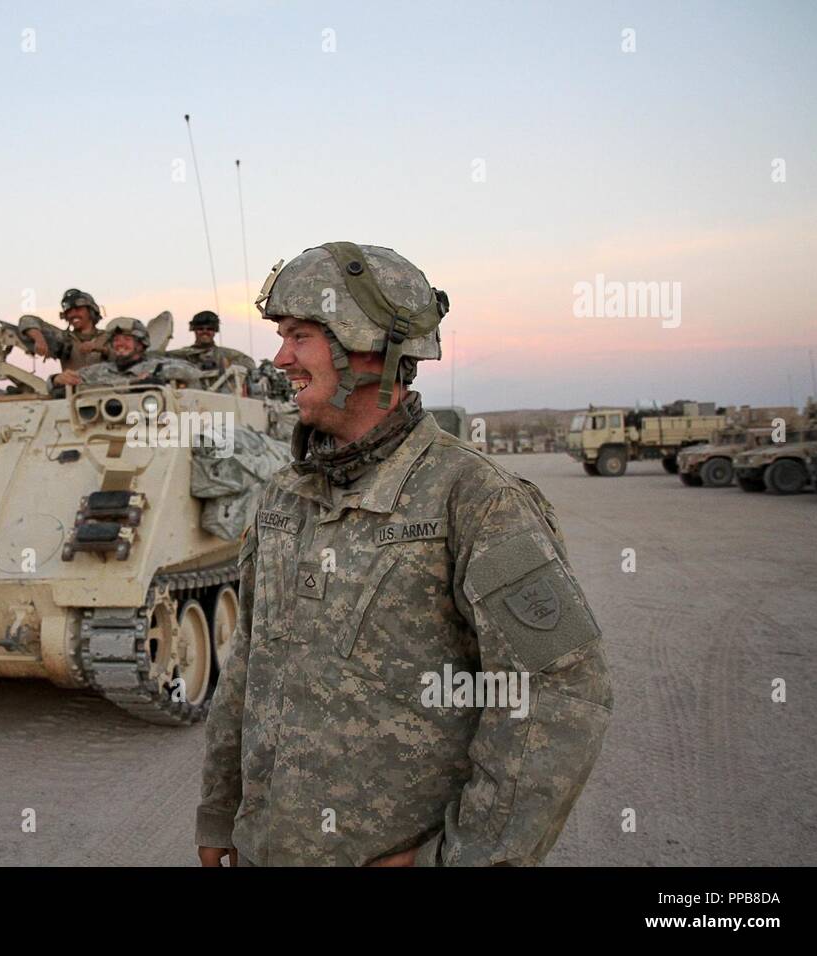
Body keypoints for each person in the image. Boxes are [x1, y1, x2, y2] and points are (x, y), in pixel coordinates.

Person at [196, 242, 612, 867]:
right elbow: (250, 660)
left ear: (370, 350)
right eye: (282, 336)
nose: (280, 358)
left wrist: (463, 856)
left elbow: (556, 692)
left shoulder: (473, 498)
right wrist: (219, 810)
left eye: (300, 336)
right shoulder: (285, 493)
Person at [54, 317, 201, 390]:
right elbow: (54, 384)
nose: (120, 344)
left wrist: (156, 378)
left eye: (127, 339)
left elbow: (192, 372)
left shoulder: (157, 366)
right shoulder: (98, 371)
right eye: (116, 340)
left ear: (140, 344)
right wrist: (57, 379)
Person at [23, 288, 111, 373]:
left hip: (108, 387)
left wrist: (101, 349)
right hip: (74, 387)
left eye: (78, 309)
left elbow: (121, 358)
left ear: (91, 311)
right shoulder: (64, 338)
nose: (72, 314)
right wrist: (39, 339)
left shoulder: (109, 337)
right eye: (69, 312)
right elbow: (27, 320)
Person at [168, 310, 255, 375]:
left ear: (215, 331)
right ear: (194, 330)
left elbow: (250, 364)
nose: (205, 332)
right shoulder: (182, 354)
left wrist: (229, 365)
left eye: (209, 329)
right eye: (200, 329)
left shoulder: (226, 354)